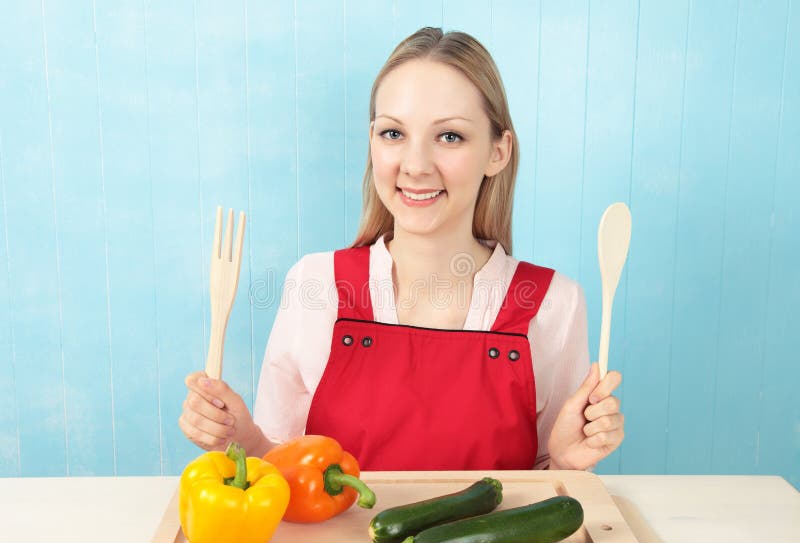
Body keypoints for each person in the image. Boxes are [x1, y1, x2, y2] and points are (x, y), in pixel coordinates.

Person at [179, 27, 624, 471]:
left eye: (450, 136)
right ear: (372, 140)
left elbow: (548, 500)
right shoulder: (313, 285)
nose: (414, 166)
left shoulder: (554, 303)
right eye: (394, 134)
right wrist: (247, 441)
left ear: (498, 152)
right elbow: (280, 473)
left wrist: (565, 464)